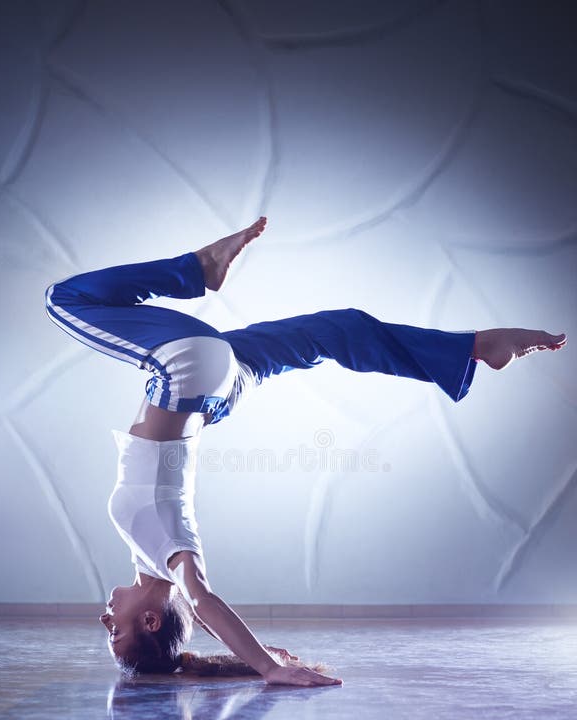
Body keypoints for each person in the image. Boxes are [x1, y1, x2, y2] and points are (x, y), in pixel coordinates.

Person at [45, 217, 567, 686]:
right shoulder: (168, 549)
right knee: (61, 300)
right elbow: (203, 603)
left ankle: (473, 349)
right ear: (152, 621)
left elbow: (197, 609)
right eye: (116, 632)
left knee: (334, 330)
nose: (103, 620)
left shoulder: (147, 556)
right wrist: (268, 667)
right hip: (185, 372)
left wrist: (247, 658)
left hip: (219, 392)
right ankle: (197, 268)